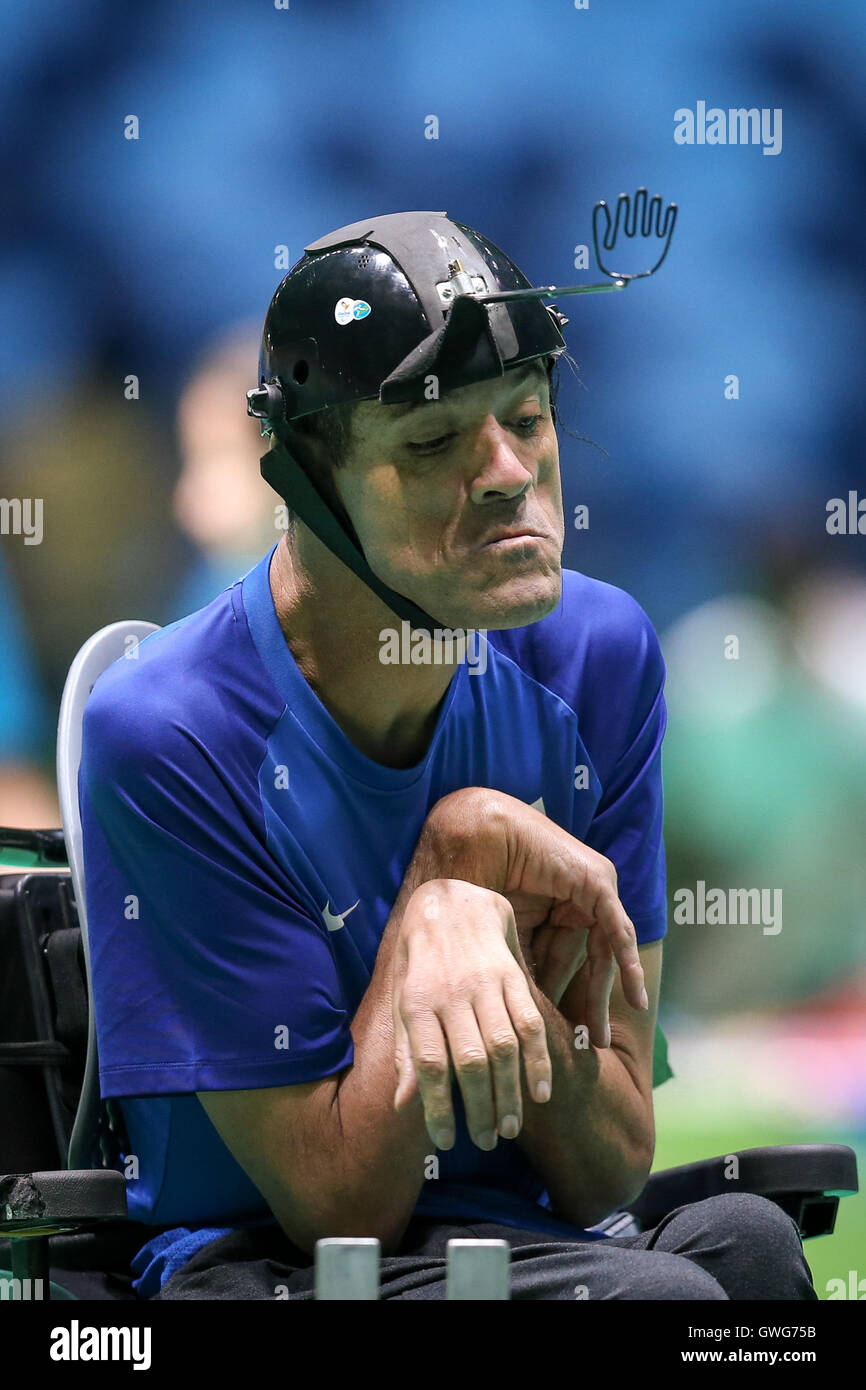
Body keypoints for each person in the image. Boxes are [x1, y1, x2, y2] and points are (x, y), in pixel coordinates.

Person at [78, 211, 816, 1300]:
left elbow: (606, 1159)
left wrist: (491, 942)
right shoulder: (169, 725)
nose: (509, 472)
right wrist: (442, 884)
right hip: (256, 1260)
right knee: (659, 1303)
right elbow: (339, 1201)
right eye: (432, 443)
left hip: (523, 1236)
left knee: (748, 1250)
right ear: (305, 481)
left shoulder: (599, 659)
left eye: (526, 417)